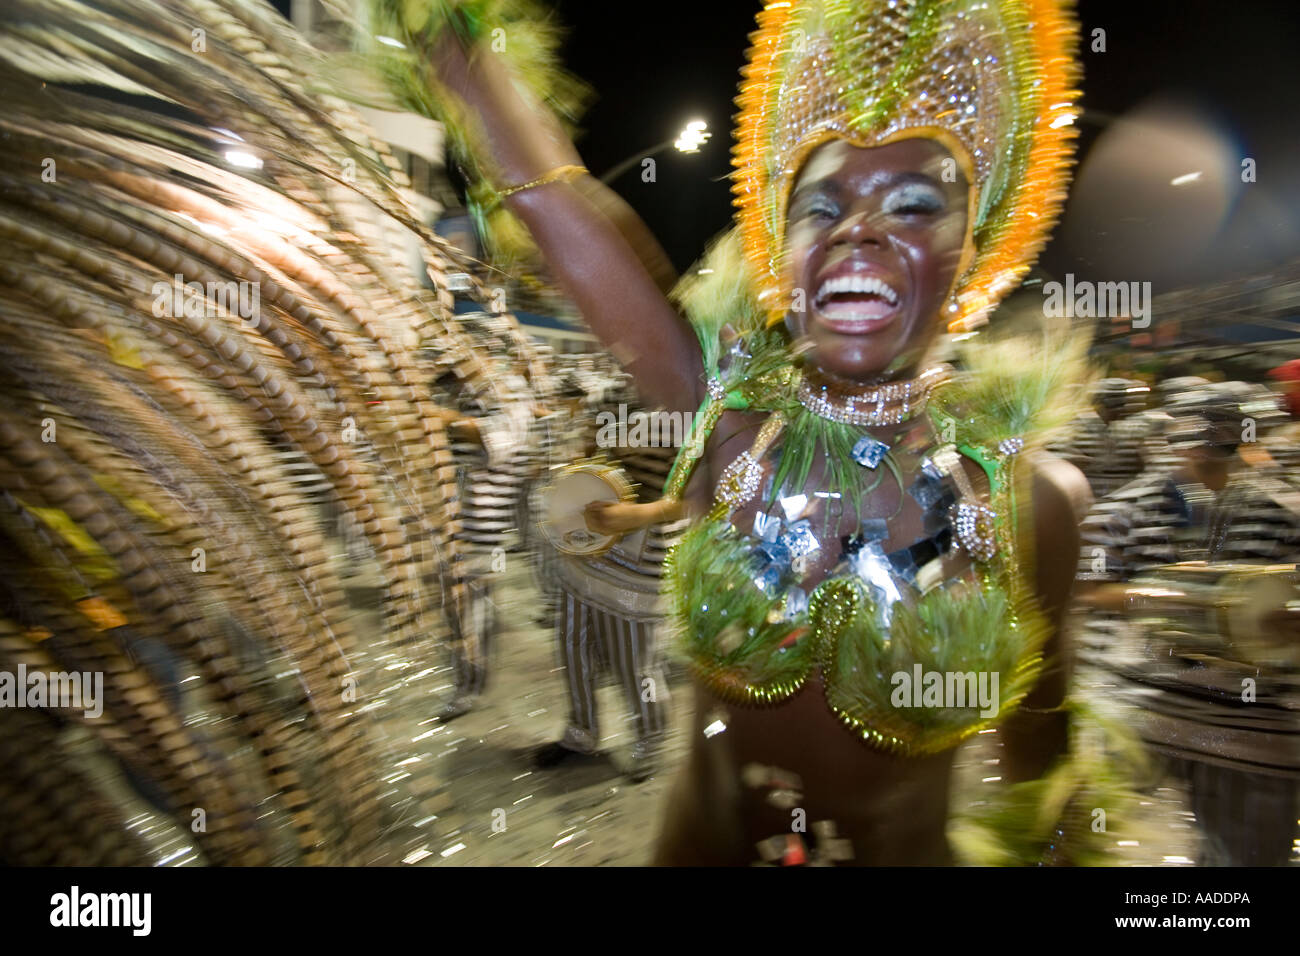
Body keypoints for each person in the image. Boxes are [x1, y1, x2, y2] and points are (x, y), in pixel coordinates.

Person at [393, 0, 1105, 865]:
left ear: (974, 243)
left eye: (916, 206)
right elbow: (560, 210)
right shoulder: (729, 423)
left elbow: (1044, 773)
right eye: (822, 206)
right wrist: (456, 44)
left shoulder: (1030, 502)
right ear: (784, 249)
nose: (858, 230)